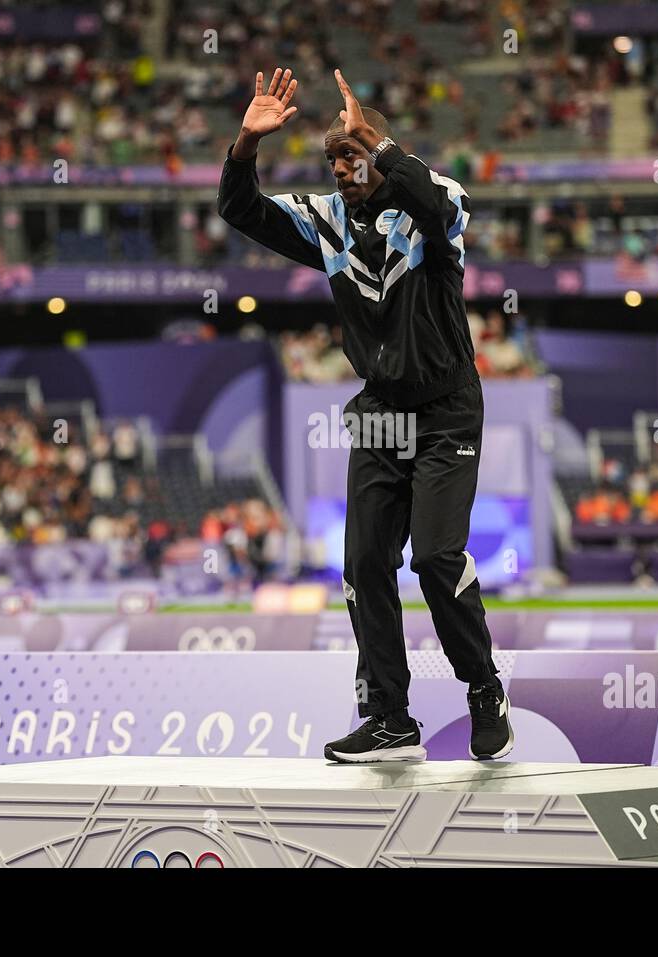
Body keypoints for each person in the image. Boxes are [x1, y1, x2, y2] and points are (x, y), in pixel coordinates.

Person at [218, 67, 511, 763]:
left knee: (437, 558)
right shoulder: (325, 222)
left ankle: (484, 688)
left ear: (380, 149)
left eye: (354, 154)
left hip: (445, 409)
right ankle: (390, 717)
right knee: (362, 566)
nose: (344, 168)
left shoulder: (434, 206)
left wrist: (377, 145)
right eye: (336, 158)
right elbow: (241, 209)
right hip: (380, 413)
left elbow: (440, 210)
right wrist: (244, 146)